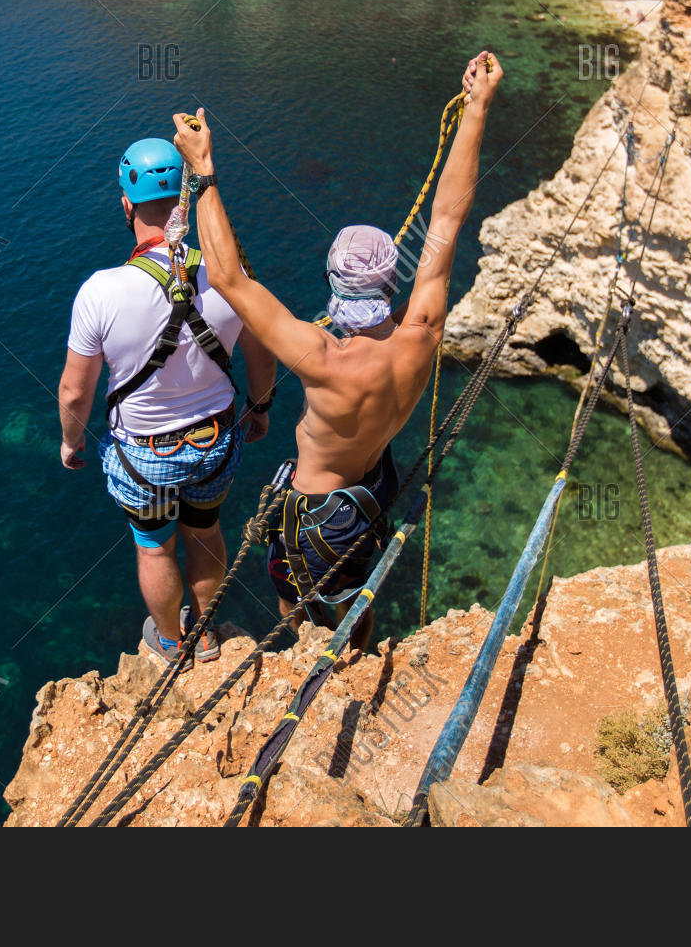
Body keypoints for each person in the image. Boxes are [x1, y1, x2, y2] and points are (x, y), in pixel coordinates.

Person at [172, 49, 504, 652]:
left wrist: (203, 172)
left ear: (334, 286)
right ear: (392, 283)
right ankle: (359, 656)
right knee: (354, 600)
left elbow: (226, 278)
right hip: (372, 485)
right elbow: (449, 221)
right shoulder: (421, 332)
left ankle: (302, 666)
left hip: (318, 508)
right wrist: (478, 107)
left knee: (293, 600)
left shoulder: (322, 358)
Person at [58, 135, 277, 668]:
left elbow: (74, 390)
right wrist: (261, 407)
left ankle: (171, 642)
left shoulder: (101, 292)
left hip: (145, 457)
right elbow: (262, 352)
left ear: (126, 203)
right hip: (213, 442)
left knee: (154, 545)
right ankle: (205, 635)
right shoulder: (228, 277)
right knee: (204, 533)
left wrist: (70, 442)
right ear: (185, 197)